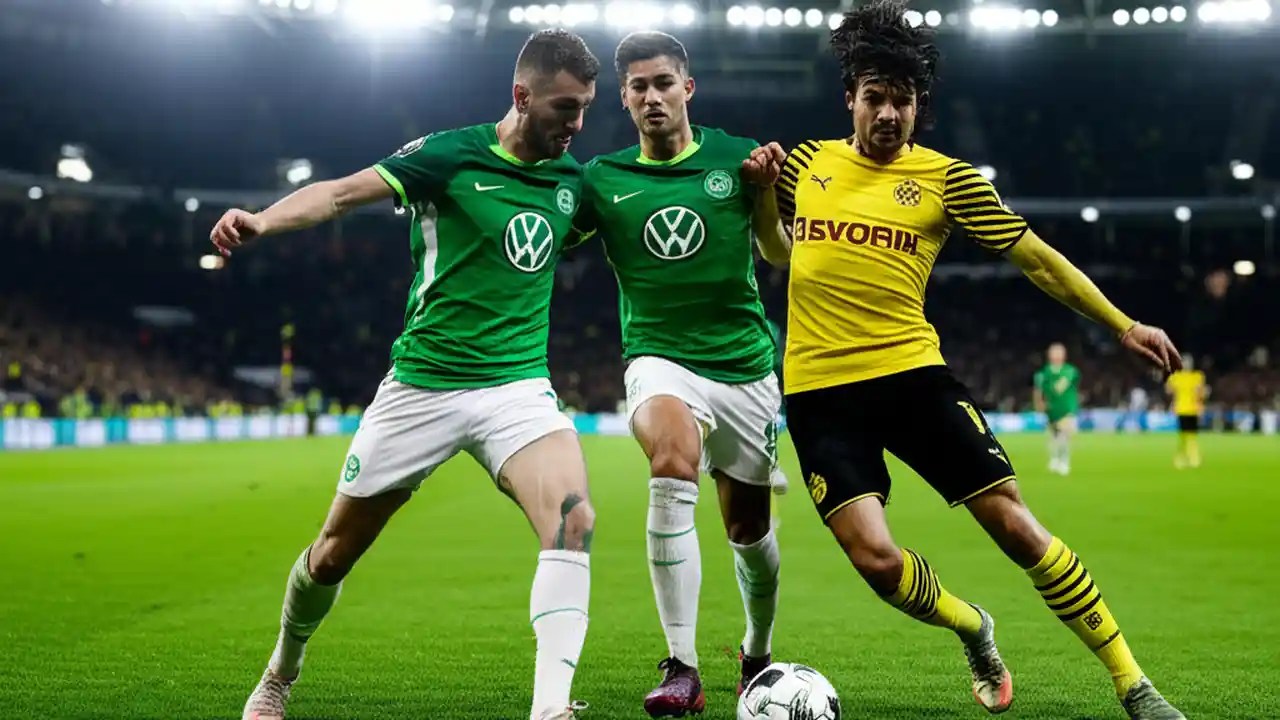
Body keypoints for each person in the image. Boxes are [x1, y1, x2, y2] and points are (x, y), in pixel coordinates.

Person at [770, 3, 1186, 718]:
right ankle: (973, 626)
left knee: (1017, 525)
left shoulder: (948, 180)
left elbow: (1037, 260)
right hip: (818, 395)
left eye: (903, 101)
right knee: (875, 559)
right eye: (876, 98)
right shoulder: (803, 166)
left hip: (912, 378)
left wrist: (1122, 324)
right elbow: (776, 252)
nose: (889, 114)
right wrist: (754, 190)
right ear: (851, 100)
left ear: (917, 107)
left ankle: (1132, 683)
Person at [210, 30, 602, 720]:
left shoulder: (572, 183)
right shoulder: (450, 155)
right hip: (423, 386)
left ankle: (551, 709)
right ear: (521, 96)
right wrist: (262, 222)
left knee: (574, 521)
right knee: (332, 554)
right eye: (564, 108)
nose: (575, 126)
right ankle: (280, 671)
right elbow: (338, 196)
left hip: (516, 389)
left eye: (584, 110)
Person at [570, 31, 790, 717]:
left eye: (663, 82)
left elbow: (778, 254)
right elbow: (545, 232)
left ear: (687, 88)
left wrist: (765, 195)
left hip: (746, 367)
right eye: (637, 86)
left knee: (748, 532)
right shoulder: (602, 179)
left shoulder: (737, 156)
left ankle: (756, 650)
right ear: (624, 98)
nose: (651, 96)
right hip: (659, 358)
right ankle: (683, 665)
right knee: (671, 460)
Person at [1032, 342, 1081, 475]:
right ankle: (1054, 459)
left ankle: (1064, 462)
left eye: (1059, 352)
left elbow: (1060, 387)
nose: (1057, 355)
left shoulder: (1070, 370)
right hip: (1051, 409)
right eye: (1054, 352)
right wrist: (1039, 403)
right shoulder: (1043, 373)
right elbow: (1038, 390)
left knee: (1064, 435)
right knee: (1053, 436)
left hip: (1066, 408)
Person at [1165, 355, 1207, 468]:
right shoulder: (1196, 377)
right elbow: (1201, 393)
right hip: (1186, 409)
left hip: (1187, 409)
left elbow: (1169, 389)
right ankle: (1189, 458)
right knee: (1187, 435)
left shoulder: (1180, 377)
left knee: (1188, 435)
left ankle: (1187, 457)